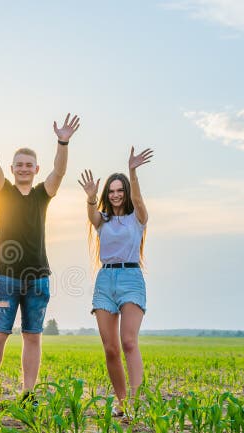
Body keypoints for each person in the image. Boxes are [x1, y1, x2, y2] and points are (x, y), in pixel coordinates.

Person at [0, 109, 80, 410]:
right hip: (6, 278)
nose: (24, 169)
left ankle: (29, 394)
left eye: (29, 165)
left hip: (38, 278)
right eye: (19, 165)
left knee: (32, 337)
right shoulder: (2, 191)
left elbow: (59, 173)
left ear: (36, 168)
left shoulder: (43, 193)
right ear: (12, 168)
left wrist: (63, 143)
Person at [78, 147, 153, 414]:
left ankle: (136, 402)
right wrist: (90, 198)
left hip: (131, 278)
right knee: (110, 349)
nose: (116, 195)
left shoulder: (137, 218)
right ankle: (122, 404)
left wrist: (132, 171)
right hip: (105, 281)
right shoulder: (103, 220)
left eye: (120, 190)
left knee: (128, 342)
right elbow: (92, 215)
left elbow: (138, 199)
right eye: (111, 191)